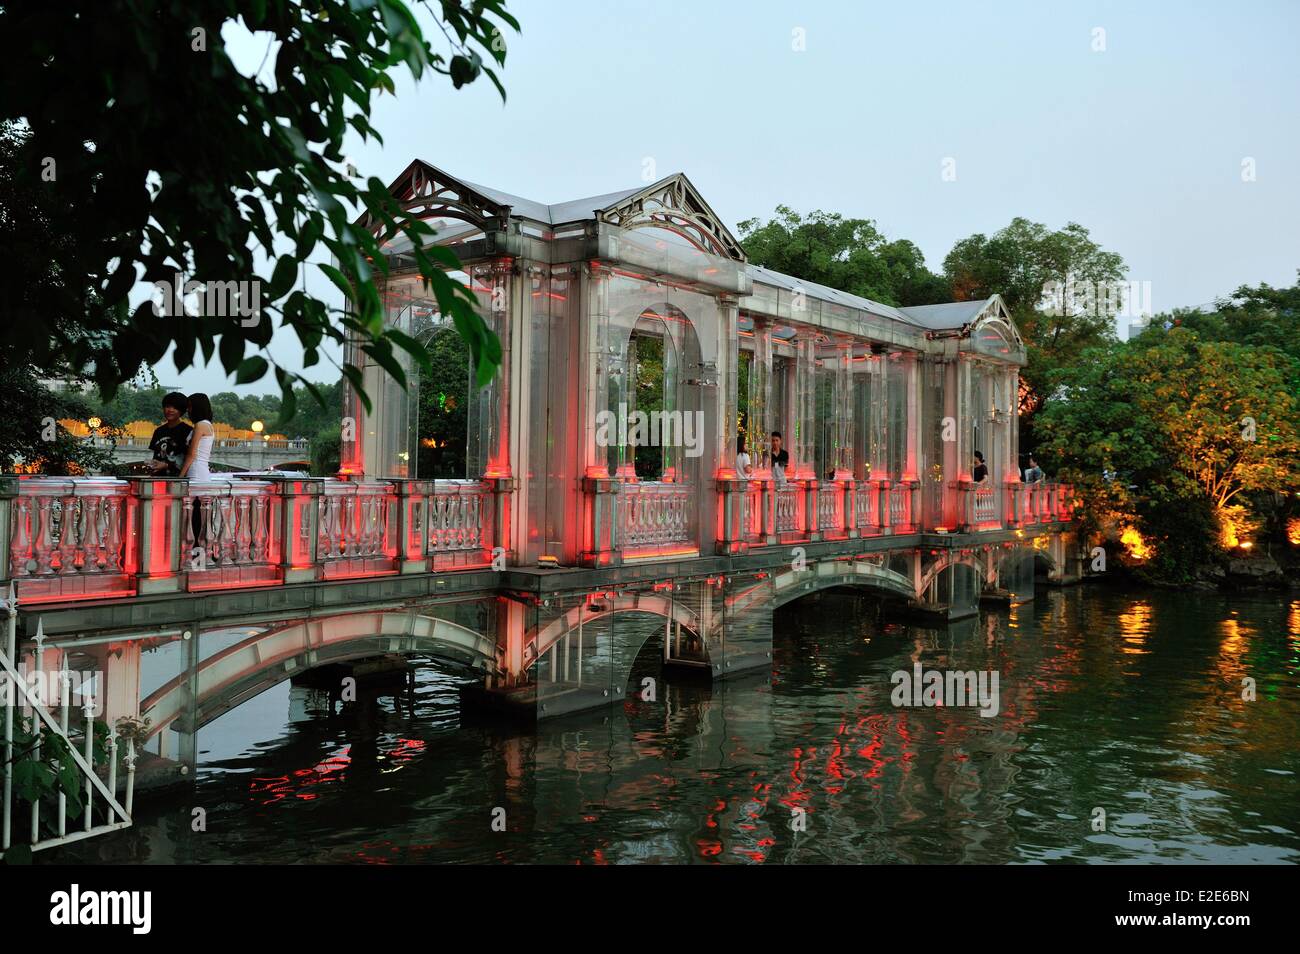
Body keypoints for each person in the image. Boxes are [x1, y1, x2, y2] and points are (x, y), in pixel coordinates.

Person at [147, 392, 193, 476]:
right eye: (167, 406)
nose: (170, 410)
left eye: (175, 408)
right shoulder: (159, 431)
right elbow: (156, 456)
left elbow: (189, 459)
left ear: (181, 411)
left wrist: (166, 465)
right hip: (157, 479)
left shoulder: (188, 431)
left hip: (177, 479)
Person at [180, 392, 215, 483]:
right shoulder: (208, 425)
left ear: (197, 407)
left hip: (195, 472)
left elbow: (191, 454)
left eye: (190, 406)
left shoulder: (199, 426)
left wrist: (180, 477)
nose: (188, 410)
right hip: (203, 472)